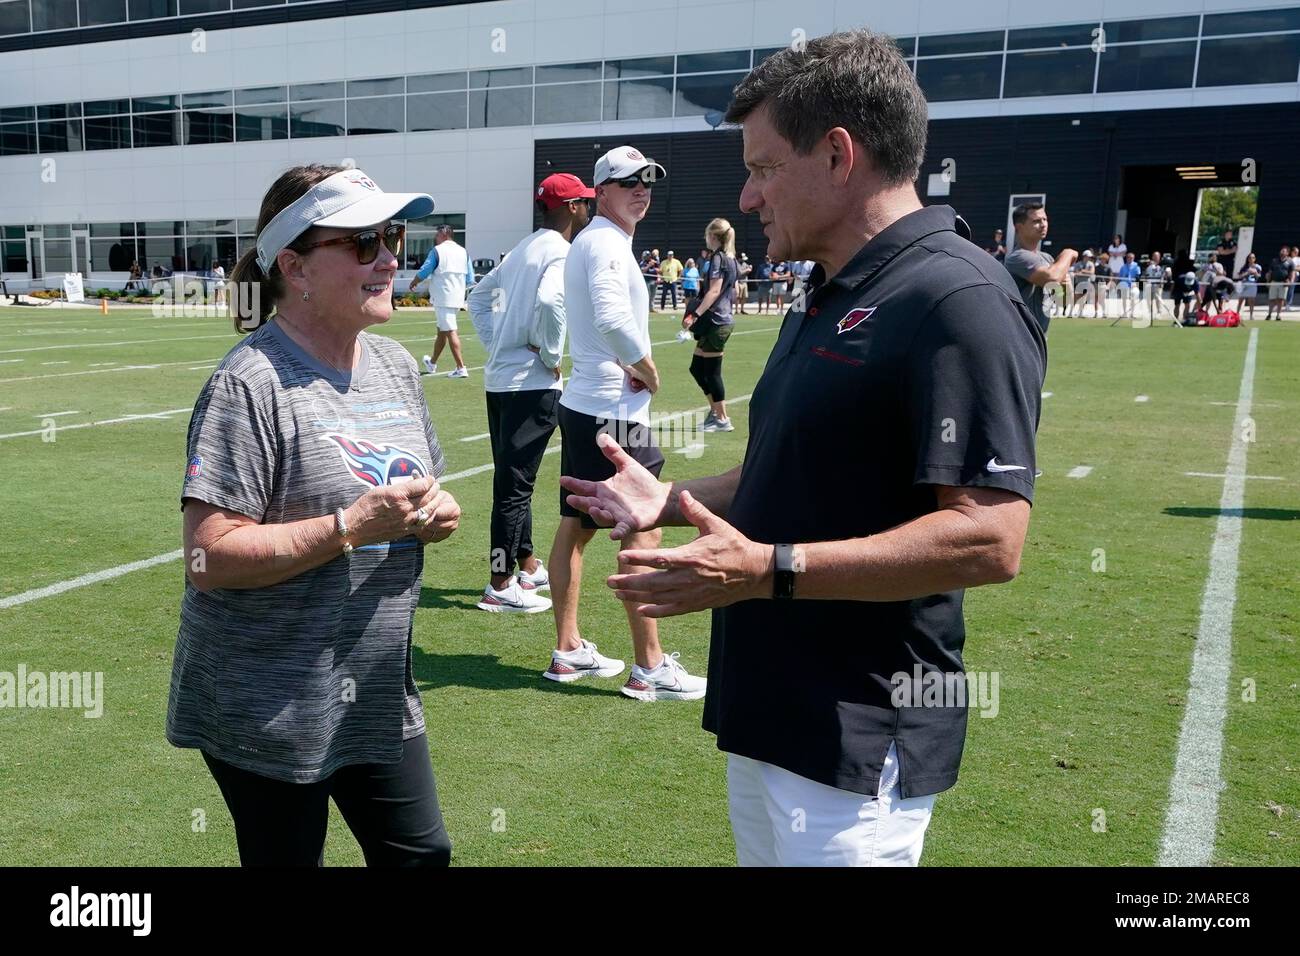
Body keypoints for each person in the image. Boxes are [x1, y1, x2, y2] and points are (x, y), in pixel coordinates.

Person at [562, 29, 1044, 868]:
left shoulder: (954, 297)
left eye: (761, 168)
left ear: (837, 155)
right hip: (774, 707)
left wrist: (768, 570)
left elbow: (988, 538)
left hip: (856, 734)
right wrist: (677, 503)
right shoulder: (827, 287)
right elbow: (786, 472)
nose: (748, 200)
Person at [167, 164, 461, 866]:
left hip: (376, 687)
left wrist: (434, 511)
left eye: (391, 236)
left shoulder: (393, 364)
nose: (391, 257)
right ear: (295, 268)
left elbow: (425, 489)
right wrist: (347, 529)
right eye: (363, 243)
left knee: (421, 856)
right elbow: (209, 557)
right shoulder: (249, 383)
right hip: (268, 701)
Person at [545, 145, 707, 701]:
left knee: (578, 525)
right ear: (601, 191)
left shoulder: (596, 241)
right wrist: (647, 367)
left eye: (648, 181)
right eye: (628, 181)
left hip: (594, 405)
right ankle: (649, 665)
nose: (642, 189)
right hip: (611, 413)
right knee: (645, 522)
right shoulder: (606, 243)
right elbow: (613, 317)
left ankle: (568, 650)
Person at [466, 172, 594, 614]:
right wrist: (551, 353)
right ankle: (500, 581)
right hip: (532, 384)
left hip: (502, 381)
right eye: (584, 201)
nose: (588, 207)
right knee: (515, 486)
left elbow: (478, 299)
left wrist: (499, 342)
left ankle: (527, 564)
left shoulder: (523, 247)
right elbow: (551, 302)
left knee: (512, 479)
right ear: (573, 207)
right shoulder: (560, 251)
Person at [682, 217, 739, 432]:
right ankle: (715, 413)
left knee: (712, 372)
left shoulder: (718, 259)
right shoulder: (729, 259)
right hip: (715, 321)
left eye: (707, 234)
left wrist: (694, 314)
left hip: (716, 322)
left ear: (713, 236)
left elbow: (715, 291)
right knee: (697, 368)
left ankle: (722, 418)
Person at [1003, 201, 1077, 333]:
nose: (1043, 225)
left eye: (1045, 219)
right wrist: (1068, 253)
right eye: (1036, 221)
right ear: (1019, 227)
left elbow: (1063, 301)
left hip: (1040, 338)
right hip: (1021, 337)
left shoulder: (1047, 259)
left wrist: (1065, 285)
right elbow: (1052, 278)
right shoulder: (1017, 257)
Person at [411, 224, 471, 378]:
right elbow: (470, 277)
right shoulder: (464, 252)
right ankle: (432, 362)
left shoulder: (437, 251)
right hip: (457, 298)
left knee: (450, 331)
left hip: (443, 297)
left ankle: (461, 367)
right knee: (442, 331)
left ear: (444, 234)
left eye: (437, 235)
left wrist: (414, 281)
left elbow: (425, 270)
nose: (435, 238)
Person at [1264, 246, 1293, 320]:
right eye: (1281, 251)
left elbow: (1291, 273)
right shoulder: (1274, 261)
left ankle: (1278, 315)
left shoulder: (1290, 262)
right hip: (1274, 282)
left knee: (1281, 299)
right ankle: (1269, 314)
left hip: (1284, 283)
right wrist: (1268, 282)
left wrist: (1290, 282)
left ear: (1287, 253)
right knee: (1272, 299)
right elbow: (1269, 272)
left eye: (1284, 251)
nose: (1282, 252)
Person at [1171, 249, 1199, 324]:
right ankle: (1184, 320)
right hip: (1186, 285)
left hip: (1178, 285)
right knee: (1187, 304)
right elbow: (1195, 269)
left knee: (1177, 304)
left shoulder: (1176, 262)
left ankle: (1176, 320)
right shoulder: (1189, 262)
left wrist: (1171, 292)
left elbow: (1173, 273)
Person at [1233, 252, 1260, 319]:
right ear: (1248, 259)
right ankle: (1237, 314)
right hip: (1244, 284)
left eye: (1253, 257)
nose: (1251, 259)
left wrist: (1255, 272)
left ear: (1255, 259)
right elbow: (1240, 276)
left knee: (1251, 301)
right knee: (1241, 300)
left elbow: (1259, 276)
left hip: (1253, 284)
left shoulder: (1257, 267)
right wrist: (1247, 272)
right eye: (1250, 258)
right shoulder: (1244, 267)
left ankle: (1251, 315)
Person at [1118, 251, 1141, 318]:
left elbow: (1138, 276)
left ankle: (1132, 313)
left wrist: (1135, 283)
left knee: (1133, 298)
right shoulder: (1123, 267)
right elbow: (1120, 277)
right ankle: (1125, 313)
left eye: (1131, 258)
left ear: (1133, 258)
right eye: (1128, 257)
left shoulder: (1136, 266)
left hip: (1133, 285)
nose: (1130, 259)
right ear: (1126, 258)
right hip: (1125, 285)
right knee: (1124, 299)